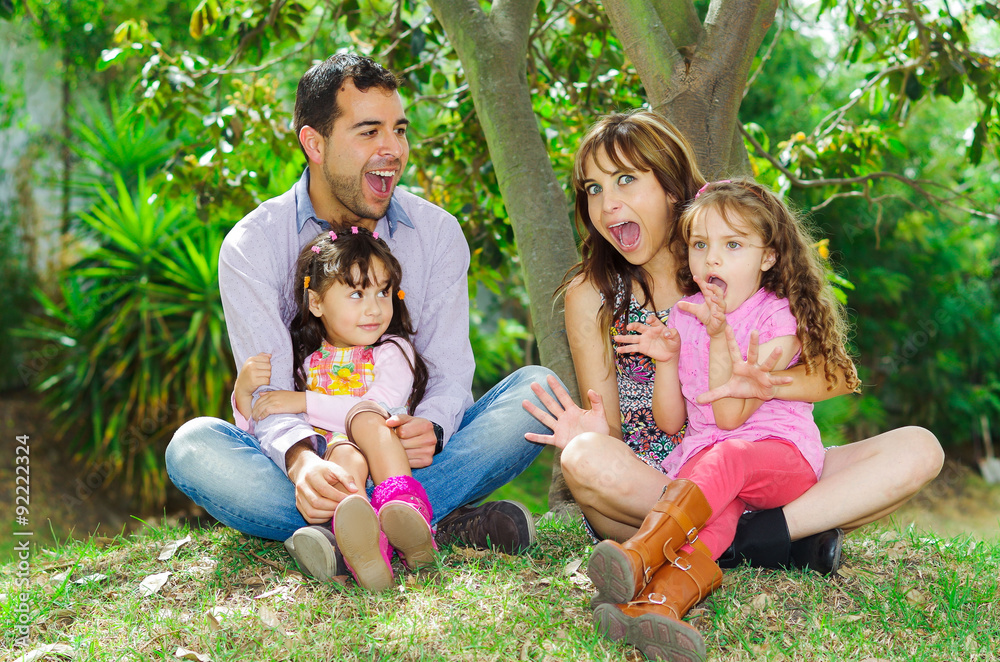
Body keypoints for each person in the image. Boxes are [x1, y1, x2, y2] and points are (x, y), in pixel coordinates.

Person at [522, 110, 942, 654]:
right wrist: (593, 427)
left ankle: (733, 543)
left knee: (918, 447)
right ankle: (774, 542)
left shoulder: (733, 259)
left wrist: (764, 383)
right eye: (593, 189)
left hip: (766, 456)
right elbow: (622, 423)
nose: (607, 205)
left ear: (673, 187)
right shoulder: (594, 292)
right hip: (661, 479)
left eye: (627, 179)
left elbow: (832, 375)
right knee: (583, 459)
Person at [166, 53, 555, 582]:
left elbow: (448, 373)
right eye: (369, 131)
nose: (392, 150)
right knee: (192, 448)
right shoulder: (252, 246)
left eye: (398, 129)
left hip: (409, 452)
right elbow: (269, 398)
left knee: (539, 392)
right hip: (320, 459)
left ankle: (348, 534)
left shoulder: (436, 233)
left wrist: (434, 427)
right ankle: (424, 522)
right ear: (315, 144)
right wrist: (303, 464)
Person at [587, 178, 863, 658]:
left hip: (779, 456)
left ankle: (639, 554)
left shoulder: (776, 321)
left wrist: (718, 337)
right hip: (712, 464)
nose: (712, 259)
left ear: (768, 257)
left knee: (728, 456)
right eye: (700, 245)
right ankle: (655, 607)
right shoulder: (684, 318)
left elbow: (732, 418)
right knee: (712, 521)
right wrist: (668, 361)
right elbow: (673, 424)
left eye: (732, 245)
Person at [232, 227, 437, 591]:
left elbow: (372, 406)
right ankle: (365, 541)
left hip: (384, 448)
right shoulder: (308, 363)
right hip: (339, 453)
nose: (375, 308)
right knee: (343, 459)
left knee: (368, 421)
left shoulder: (393, 352)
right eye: (357, 293)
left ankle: (406, 509)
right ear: (316, 303)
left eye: (383, 292)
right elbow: (260, 430)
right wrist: (244, 392)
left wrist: (303, 401)